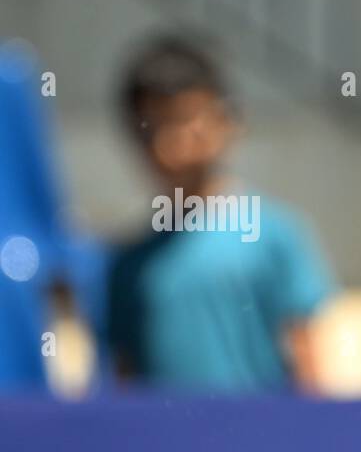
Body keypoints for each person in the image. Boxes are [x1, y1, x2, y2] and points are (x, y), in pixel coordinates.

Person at [106, 35, 336, 392]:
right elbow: (123, 383)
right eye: (156, 125)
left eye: (187, 120)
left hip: (260, 442)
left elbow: (308, 368)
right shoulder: (128, 263)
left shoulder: (275, 235)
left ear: (227, 120)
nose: (175, 142)